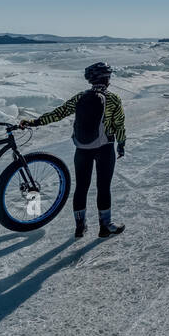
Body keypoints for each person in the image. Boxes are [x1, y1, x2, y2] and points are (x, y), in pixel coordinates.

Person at [19, 62, 126, 239]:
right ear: (106, 79)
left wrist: (34, 122)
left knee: (81, 187)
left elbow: (59, 113)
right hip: (105, 148)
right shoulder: (113, 99)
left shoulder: (79, 97)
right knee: (103, 187)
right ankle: (105, 226)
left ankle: (80, 227)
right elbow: (119, 124)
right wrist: (121, 144)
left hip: (82, 149)